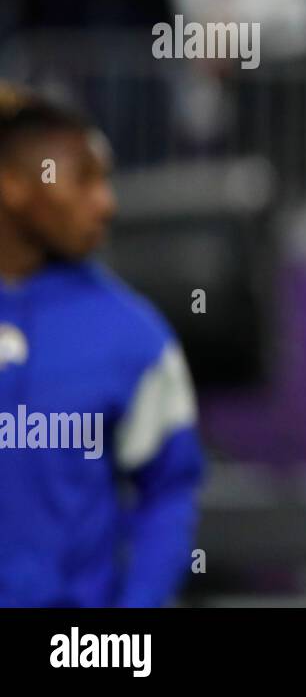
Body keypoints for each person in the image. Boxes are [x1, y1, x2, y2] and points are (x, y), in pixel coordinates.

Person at [0, 85, 204, 607]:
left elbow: (170, 492)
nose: (106, 203)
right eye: (83, 180)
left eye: (105, 181)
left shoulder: (134, 336)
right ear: (13, 185)